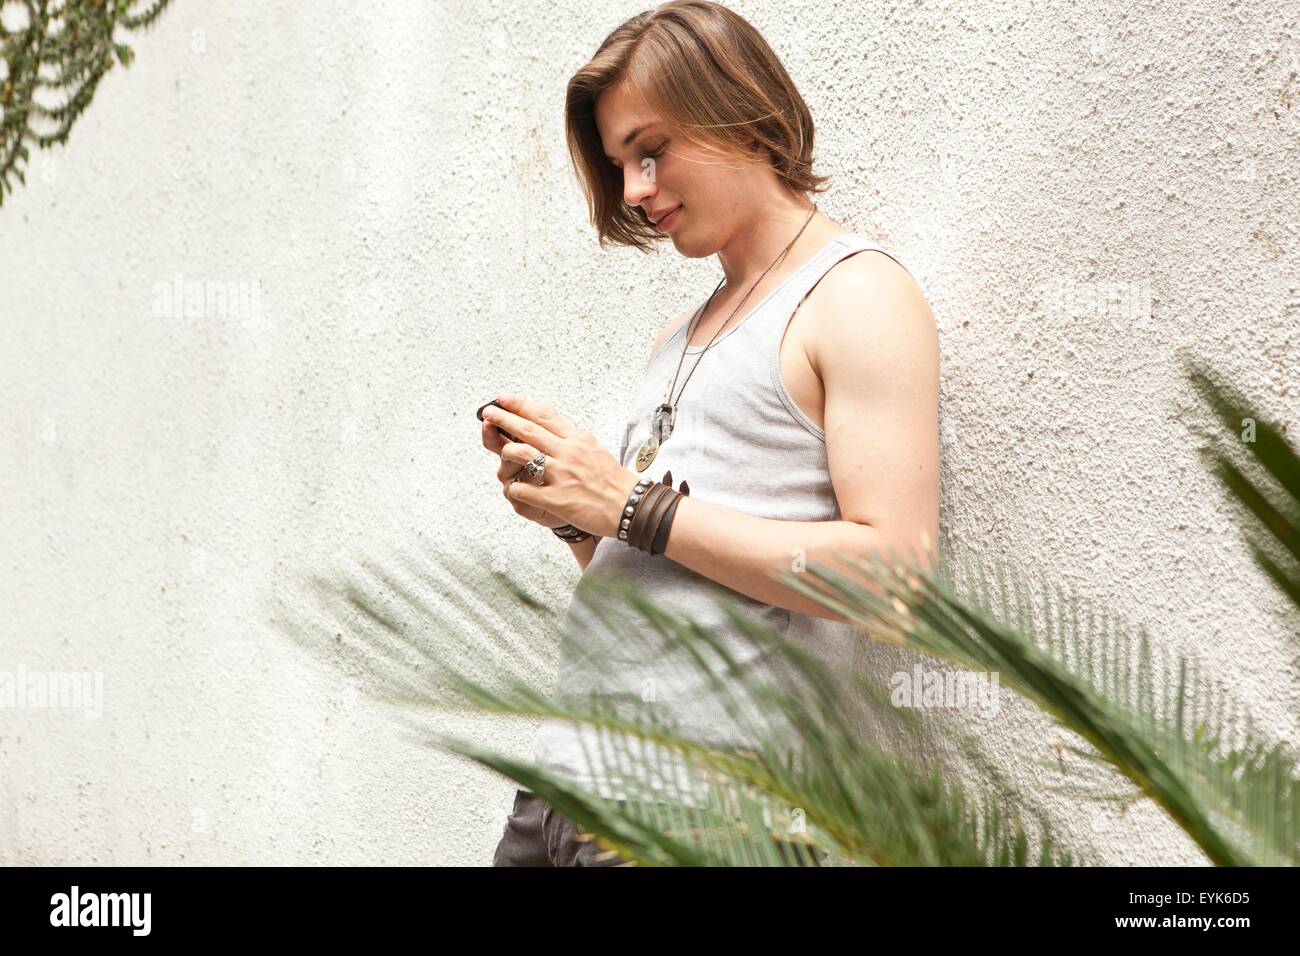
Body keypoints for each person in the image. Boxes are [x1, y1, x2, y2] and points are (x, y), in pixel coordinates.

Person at [481, 0, 939, 866]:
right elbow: (673, 573)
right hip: (561, 795)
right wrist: (580, 516)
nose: (634, 191)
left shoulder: (856, 295)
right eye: (621, 166)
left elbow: (897, 581)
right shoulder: (680, 337)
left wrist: (629, 504)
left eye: (650, 152)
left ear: (742, 114)